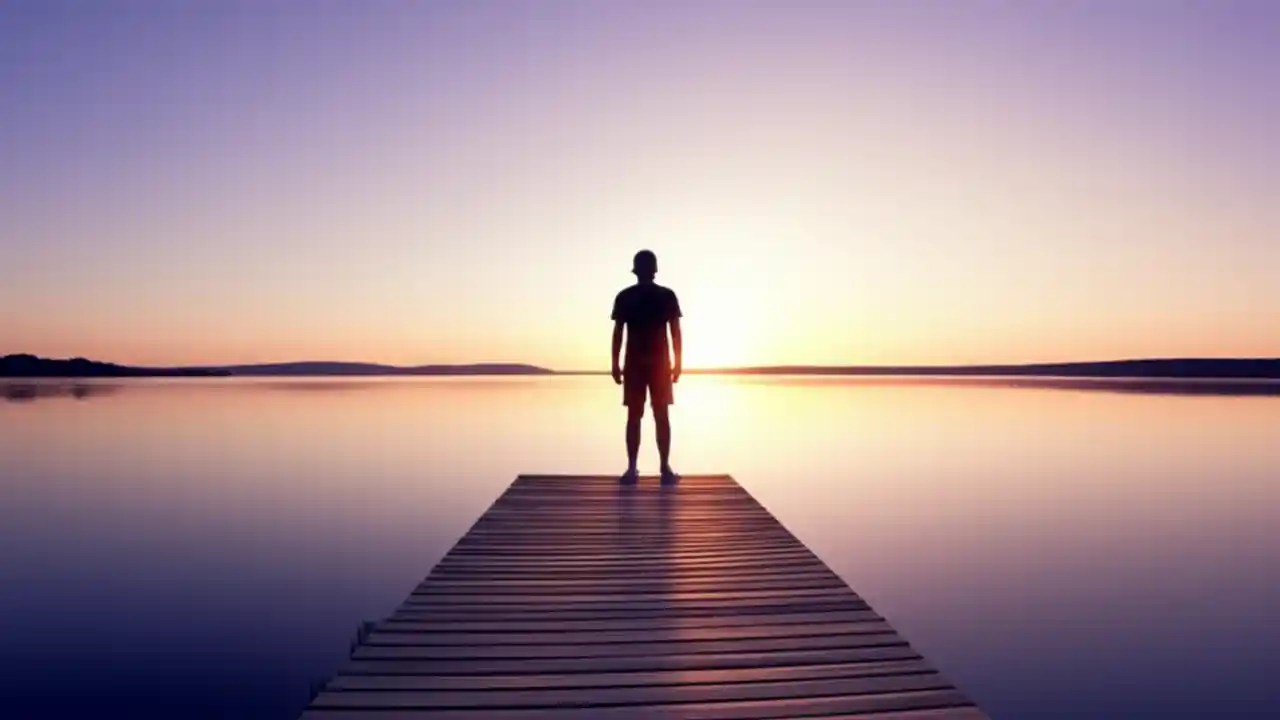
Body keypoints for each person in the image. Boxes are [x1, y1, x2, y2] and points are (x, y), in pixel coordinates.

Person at [611, 250, 682, 485]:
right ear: (654, 270)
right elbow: (675, 332)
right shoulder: (666, 295)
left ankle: (634, 469)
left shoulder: (625, 296)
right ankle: (663, 468)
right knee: (660, 415)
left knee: (635, 416)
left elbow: (618, 333)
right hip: (658, 365)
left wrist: (614, 362)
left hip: (637, 365)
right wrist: (679, 361)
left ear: (636, 270)